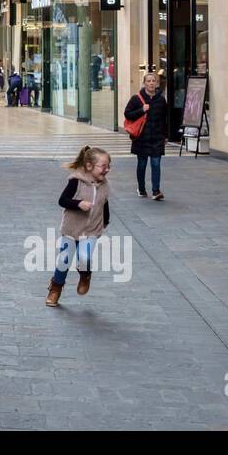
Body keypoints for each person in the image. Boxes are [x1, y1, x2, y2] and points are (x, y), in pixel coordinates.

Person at [45, 146, 112, 307]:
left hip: (92, 230)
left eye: (109, 166)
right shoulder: (76, 181)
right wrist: (78, 204)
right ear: (89, 166)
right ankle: (55, 288)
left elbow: (104, 204)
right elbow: (62, 201)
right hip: (71, 229)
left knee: (85, 257)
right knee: (64, 260)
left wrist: (105, 221)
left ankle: (85, 274)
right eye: (103, 166)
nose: (107, 170)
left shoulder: (104, 185)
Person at [124, 71, 168, 199]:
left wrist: (165, 136)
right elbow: (127, 114)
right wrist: (141, 110)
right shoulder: (136, 99)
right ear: (144, 83)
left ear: (157, 83)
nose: (151, 83)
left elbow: (165, 119)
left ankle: (156, 191)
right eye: (149, 81)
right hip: (141, 138)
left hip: (157, 138)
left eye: (154, 81)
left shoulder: (161, 99)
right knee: (142, 164)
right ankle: (141, 188)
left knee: (156, 164)